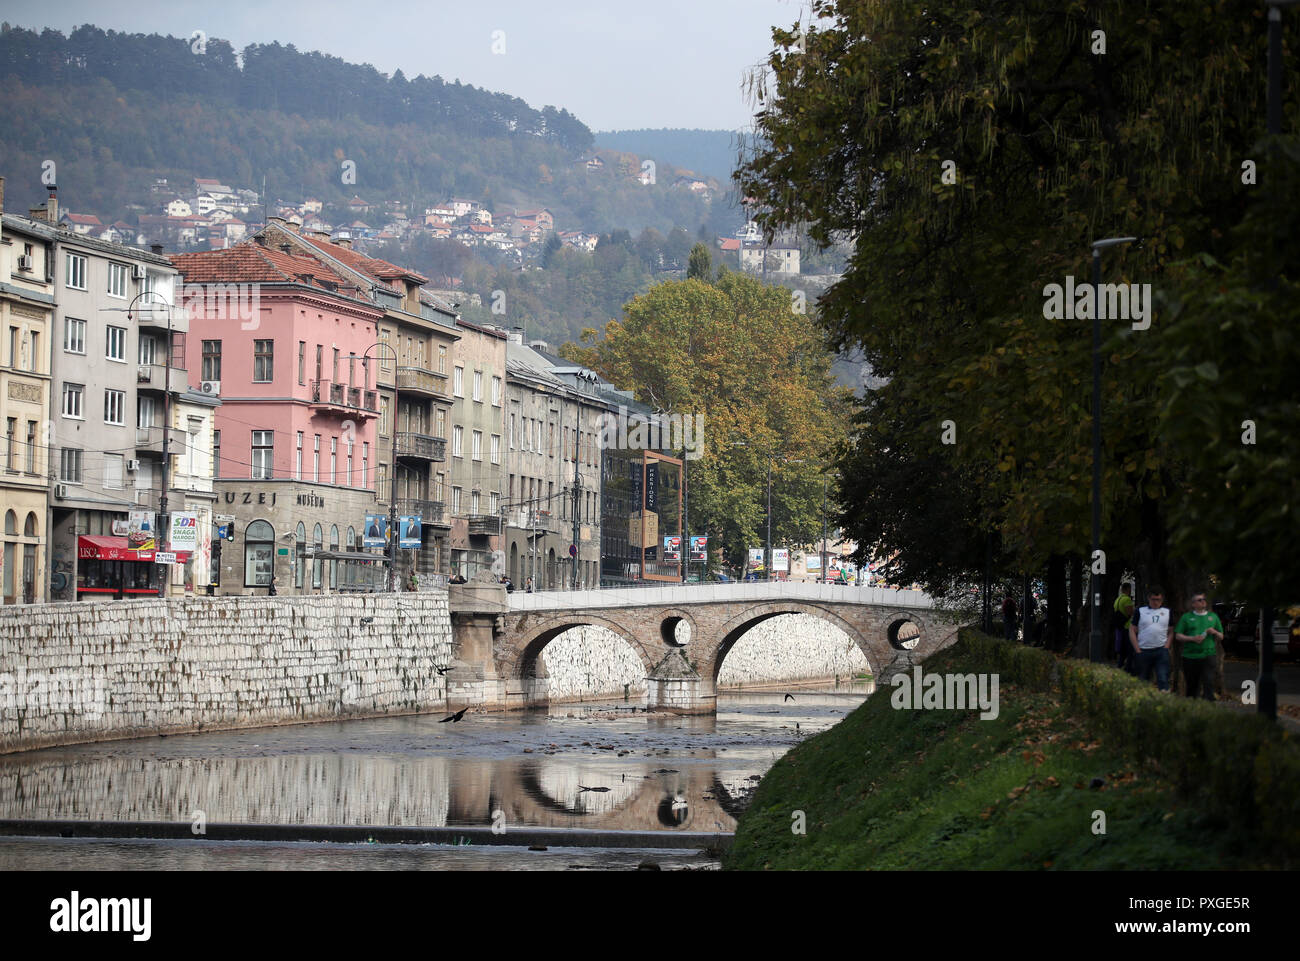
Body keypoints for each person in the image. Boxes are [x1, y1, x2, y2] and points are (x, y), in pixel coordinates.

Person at [1174, 590, 1223, 700]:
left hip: (1208, 655)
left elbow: (1221, 636)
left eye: (1204, 599)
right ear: (1193, 604)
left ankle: (1209, 708)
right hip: (1190, 656)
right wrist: (1192, 638)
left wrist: (1214, 632)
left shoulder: (1213, 617)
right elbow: (1178, 636)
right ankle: (1193, 709)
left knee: (1208, 682)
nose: (1203, 602)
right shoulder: (1186, 617)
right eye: (1200, 600)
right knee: (1192, 686)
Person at [1130, 586, 1173, 691]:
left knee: (1163, 678)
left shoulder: (1167, 612)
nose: (1156, 602)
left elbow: (1171, 631)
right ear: (1149, 599)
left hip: (1161, 650)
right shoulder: (1140, 611)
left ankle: (1164, 702)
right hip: (1143, 650)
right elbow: (1132, 630)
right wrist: (1137, 649)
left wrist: (1166, 647)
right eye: (1153, 599)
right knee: (1142, 679)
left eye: (1158, 600)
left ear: (1162, 600)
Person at [1113, 583, 1136, 672]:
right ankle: (1128, 669)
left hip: (1120, 627)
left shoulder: (1117, 600)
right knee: (1130, 649)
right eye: (1130, 589)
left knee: (1122, 649)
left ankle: (1119, 666)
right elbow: (1130, 613)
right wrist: (1134, 609)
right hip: (1127, 627)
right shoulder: (1127, 599)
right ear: (1127, 589)